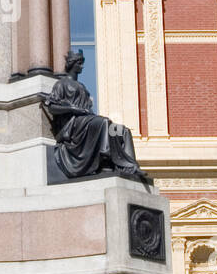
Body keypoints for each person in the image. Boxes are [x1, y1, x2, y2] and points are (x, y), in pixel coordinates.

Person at [43, 49, 144, 180]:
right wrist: (73, 109)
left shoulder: (82, 86)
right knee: (104, 122)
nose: (82, 66)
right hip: (73, 124)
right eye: (79, 63)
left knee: (121, 130)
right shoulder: (61, 84)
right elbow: (52, 107)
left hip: (86, 122)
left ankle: (130, 166)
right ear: (72, 64)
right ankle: (105, 159)